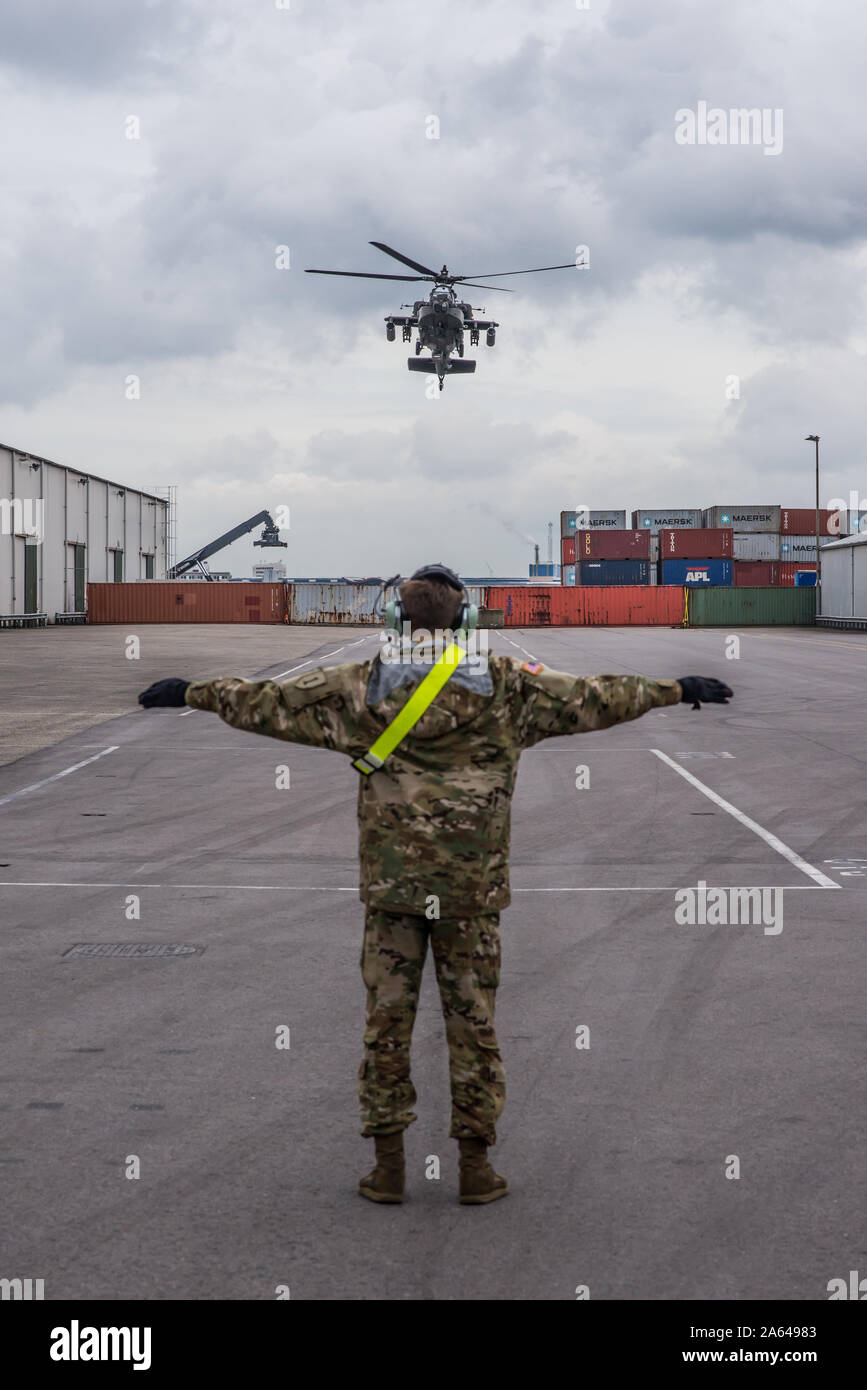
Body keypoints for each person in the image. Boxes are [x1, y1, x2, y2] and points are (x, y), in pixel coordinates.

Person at [139, 562, 732, 1206]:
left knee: (386, 1026)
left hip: (393, 893)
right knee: (473, 1023)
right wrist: (677, 688)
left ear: (395, 621)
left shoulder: (358, 688)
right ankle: (475, 1170)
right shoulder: (509, 687)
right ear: (468, 621)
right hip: (471, 894)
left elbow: (266, 703)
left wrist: (190, 692)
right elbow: (599, 696)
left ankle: (388, 1168)